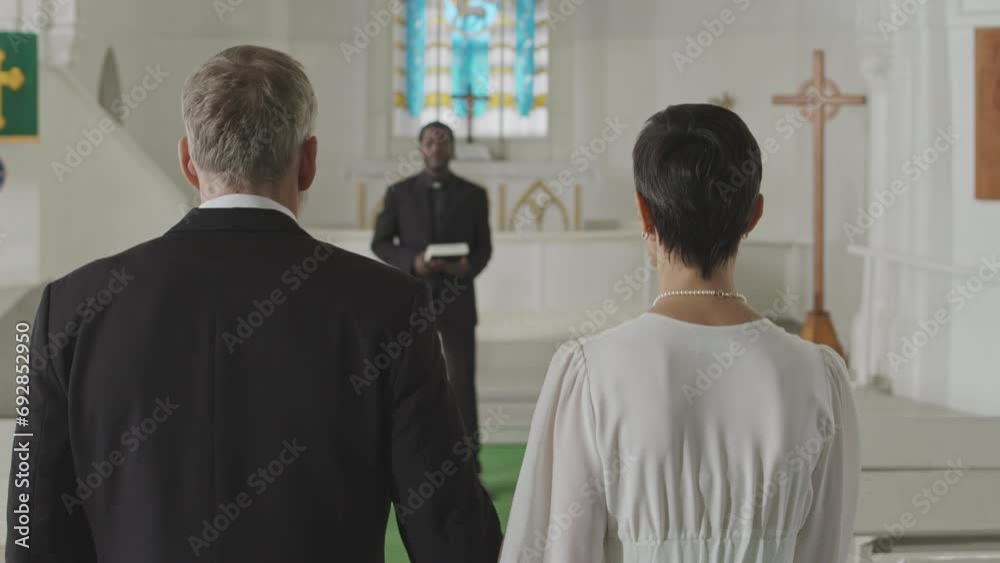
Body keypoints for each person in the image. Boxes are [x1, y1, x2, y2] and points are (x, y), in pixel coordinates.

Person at [5, 46, 501, 563]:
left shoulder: (69, 309)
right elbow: (455, 538)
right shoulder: (391, 307)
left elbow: (29, 533)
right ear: (308, 162)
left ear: (187, 161)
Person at [499, 104, 860, 563]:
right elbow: (828, 552)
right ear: (753, 215)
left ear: (644, 214)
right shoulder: (818, 376)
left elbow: (562, 552)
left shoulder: (590, 373)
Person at [371, 122, 493, 473]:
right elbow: (380, 243)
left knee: (461, 381)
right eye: (429, 142)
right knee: (410, 381)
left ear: (452, 149)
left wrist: (466, 267)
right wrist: (414, 261)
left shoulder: (473, 195)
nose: (436, 147)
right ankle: (415, 459)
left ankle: (470, 464)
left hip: (458, 300)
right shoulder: (399, 193)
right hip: (414, 301)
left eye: (443, 142)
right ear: (420, 149)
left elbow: (484, 248)